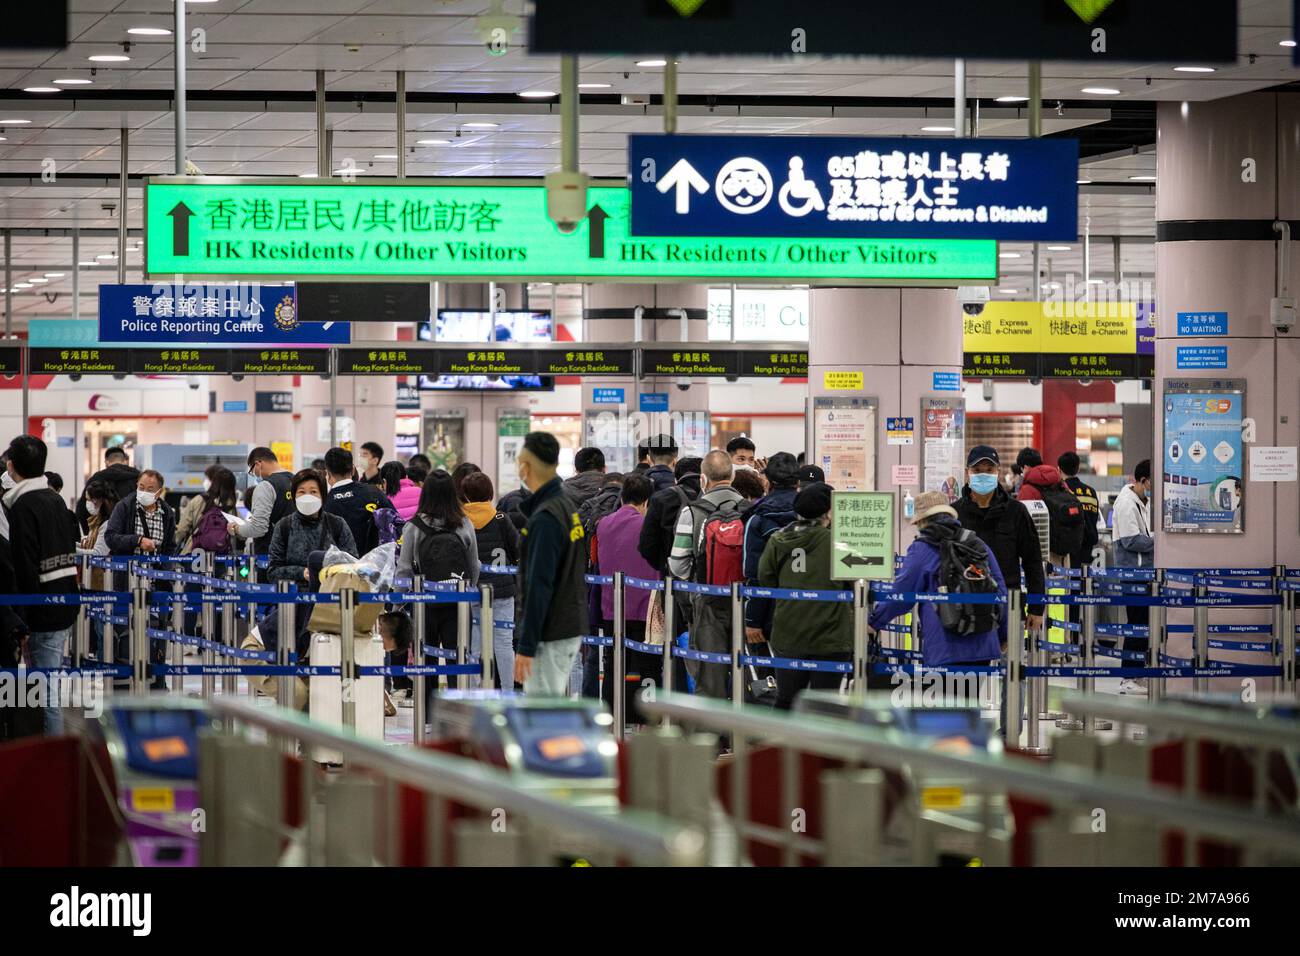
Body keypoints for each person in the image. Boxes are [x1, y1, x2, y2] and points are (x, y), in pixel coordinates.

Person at [870, 491, 1007, 670]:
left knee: (945, 697)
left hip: (945, 646)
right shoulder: (977, 544)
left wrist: (874, 622)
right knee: (970, 697)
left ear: (922, 521)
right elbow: (1000, 592)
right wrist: (1003, 635)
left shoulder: (923, 548)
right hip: (983, 642)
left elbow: (901, 596)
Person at [4, 435, 79, 734]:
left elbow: (25, 565)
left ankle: (52, 759)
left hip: (42, 611)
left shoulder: (23, 506)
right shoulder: (55, 499)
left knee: (46, 692)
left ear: (11, 467)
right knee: (49, 688)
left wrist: (22, 620)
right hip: (64, 603)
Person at [758, 482, 856, 709]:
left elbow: (765, 578)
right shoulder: (837, 541)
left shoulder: (778, 539)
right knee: (825, 703)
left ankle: (782, 744)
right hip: (830, 636)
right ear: (828, 511)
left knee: (786, 698)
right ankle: (817, 745)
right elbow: (855, 584)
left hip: (788, 631)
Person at [514, 432, 588, 695]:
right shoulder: (566, 507)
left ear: (526, 466)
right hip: (567, 622)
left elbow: (539, 585)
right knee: (550, 708)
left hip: (550, 631)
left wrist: (526, 645)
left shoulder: (546, 518)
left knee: (542, 714)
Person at [669, 450, 747, 699]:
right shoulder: (751, 509)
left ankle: (710, 734)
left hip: (706, 603)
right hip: (746, 602)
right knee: (744, 671)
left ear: (703, 479)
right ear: (732, 475)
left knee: (709, 675)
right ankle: (742, 732)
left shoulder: (692, 512)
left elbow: (678, 565)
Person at [396, 469, 480, 698]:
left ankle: (427, 713)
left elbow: (403, 569)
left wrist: (396, 603)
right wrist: (466, 588)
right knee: (457, 659)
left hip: (425, 604)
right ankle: (458, 712)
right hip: (457, 603)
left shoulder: (413, 526)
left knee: (426, 660)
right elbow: (475, 565)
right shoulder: (464, 523)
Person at [954, 445, 1045, 638]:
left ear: (998, 472)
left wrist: (1037, 608)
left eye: (989, 470)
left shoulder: (1016, 512)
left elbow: (1033, 561)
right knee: (970, 668)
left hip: (1008, 607)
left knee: (1009, 667)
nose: (983, 475)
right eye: (977, 471)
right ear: (967, 473)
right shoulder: (955, 514)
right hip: (963, 608)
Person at [594, 473, 661, 714]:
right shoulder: (648, 525)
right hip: (646, 609)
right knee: (649, 666)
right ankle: (649, 719)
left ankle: (611, 717)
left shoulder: (603, 524)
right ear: (646, 502)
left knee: (614, 665)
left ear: (622, 497)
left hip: (612, 606)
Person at [461, 471, 518, 690]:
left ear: (465, 495)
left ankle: (475, 693)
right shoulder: (502, 519)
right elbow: (517, 549)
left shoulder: (461, 522)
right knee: (503, 643)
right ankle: (507, 692)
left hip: (473, 590)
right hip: (503, 590)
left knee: (475, 644)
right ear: (490, 493)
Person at [742, 452, 801, 647]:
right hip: (812, 611)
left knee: (769, 674)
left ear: (768, 480)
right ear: (797, 481)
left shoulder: (758, 519)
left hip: (771, 613)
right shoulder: (813, 515)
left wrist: (752, 620)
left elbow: (755, 574)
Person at [268, 469, 357, 588]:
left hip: (330, 598)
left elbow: (353, 564)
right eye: (301, 492)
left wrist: (328, 572)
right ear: (294, 496)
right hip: (293, 602)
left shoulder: (337, 524)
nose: (307, 497)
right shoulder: (284, 526)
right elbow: (273, 572)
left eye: (313, 491)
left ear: (322, 495)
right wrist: (301, 573)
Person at [1111, 460, 1154, 694]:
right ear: (1143, 480)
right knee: (1136, 625)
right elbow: (1131, 540)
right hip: (1132, 574)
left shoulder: (1141, 502)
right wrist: (1160, 542)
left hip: (1142, 573)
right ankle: (1128, 677)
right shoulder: (1127, 503)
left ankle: (1138, 673)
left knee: (1143, 624)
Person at [322, 447, 394, 556]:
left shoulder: (324, 503)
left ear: (327, 474)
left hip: (339, 568)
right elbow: (395, 522)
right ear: (353, 469)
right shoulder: (374, 493)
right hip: (375, 565)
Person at [637, 454, 700, 575]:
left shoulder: (661, 499)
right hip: (707, 581)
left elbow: (646, 546)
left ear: (675, 478)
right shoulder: (710, 499)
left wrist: (664, 565)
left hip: (671, 579)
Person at [238, 447, 294, 555]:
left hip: (272, 553)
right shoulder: (297, 480)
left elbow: (258, 528)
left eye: (252, 470)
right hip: (296, 550)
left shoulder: (266, 486)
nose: (254, 474)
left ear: (258, 464)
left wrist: (237, 528)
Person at [75, 445, 139, 533]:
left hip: (104, 532)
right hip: (133, 533)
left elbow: (82, 509)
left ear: (106, 462)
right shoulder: (138, 478)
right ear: (125, 461)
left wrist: (89, 533)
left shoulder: (97, 478)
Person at [176, 464, 237, 553]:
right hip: (222, 555)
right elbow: (241, 534)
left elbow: (182, 530)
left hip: (195, 552)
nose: (205, 481)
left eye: (208, 479)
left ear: (214, 482)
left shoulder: (198, 500)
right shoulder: (231, 506)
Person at [1057, 451, 1101, 572]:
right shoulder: (1091, 492)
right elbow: (1094, 517)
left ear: (1059, 469)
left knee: (1070, 585)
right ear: (1077, 468)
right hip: (1088, 546)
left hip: (1068, 550)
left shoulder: (1060, 491)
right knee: (1085, 582)